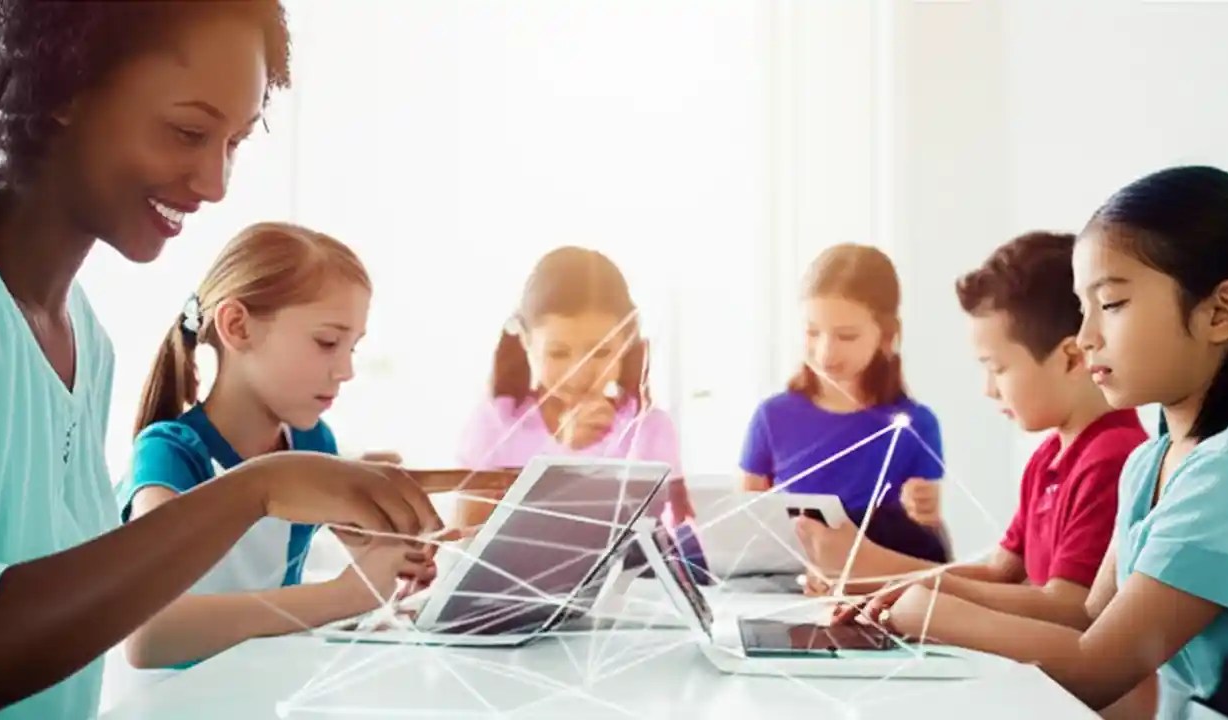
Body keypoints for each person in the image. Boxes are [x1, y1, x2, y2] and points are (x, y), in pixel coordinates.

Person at [0, 4, 484, 715]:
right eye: (188, 132)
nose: (216, 184)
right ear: (66, 87)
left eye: (235, 142)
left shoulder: (87, 343)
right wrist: (259, 489)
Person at [842, 166, 1228, 717]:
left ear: (1221, 312)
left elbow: (1099, 669)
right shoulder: (1151, 461)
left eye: (1111, 304)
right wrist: (922, 595)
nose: (1087, 337)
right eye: (1083, 309)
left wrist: (931, 613)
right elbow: (1090, 615)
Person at [116, 223, 434, 670]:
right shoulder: (171, 455)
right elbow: (149, 637)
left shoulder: (313, 442)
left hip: (265, 689)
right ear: (237, 326)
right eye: (327, 342)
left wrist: (386, 558)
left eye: (353, 348)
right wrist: (343, 595)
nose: (346, 371)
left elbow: (295, 605)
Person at [798, 232, 1145, 630]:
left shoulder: (1114, 459)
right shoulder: (1050, 457)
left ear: (1071, 358)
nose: (988, 389)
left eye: (997, 368)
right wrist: (875, 577)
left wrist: (882, 573)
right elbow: (1000, 573)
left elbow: (1071, 606)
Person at [453, 246, 692, 528]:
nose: (579, 374)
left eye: (601, 353)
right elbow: (465, 537)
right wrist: (562, 457)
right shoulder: (495, 424)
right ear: (527, 342)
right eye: (558, 353)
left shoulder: (649, 428)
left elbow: (678, 535)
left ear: (626, 342)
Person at [739, 243, 948, 565]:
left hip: (876, 579)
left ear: (887, 336)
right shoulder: (772, 417)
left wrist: (926, 511)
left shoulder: (916, 424)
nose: (825, 353)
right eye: (812, 332)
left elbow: (926, 539)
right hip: (788, 577)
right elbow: (747, 526)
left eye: (847, 336)